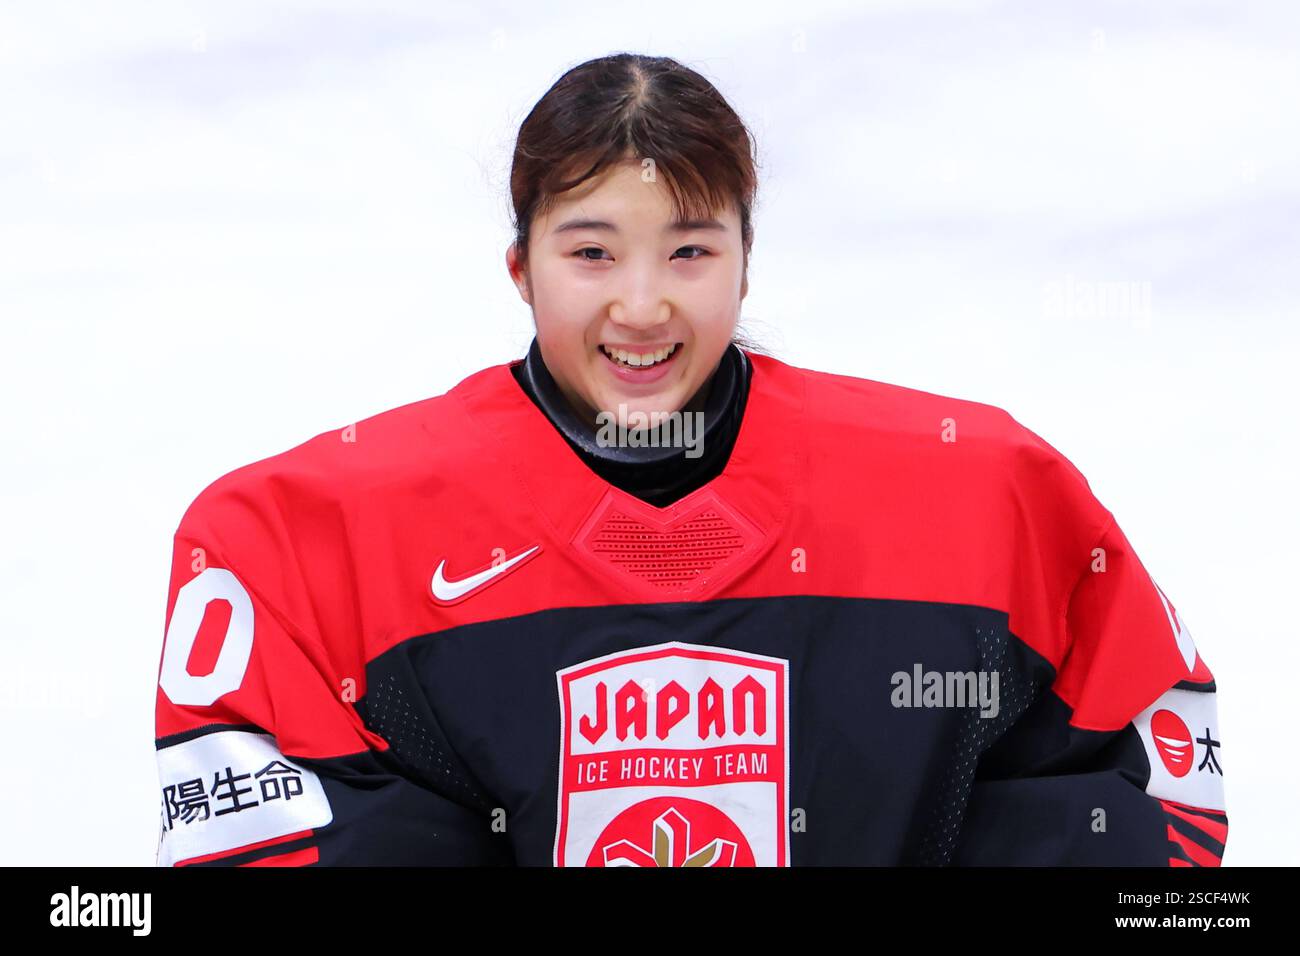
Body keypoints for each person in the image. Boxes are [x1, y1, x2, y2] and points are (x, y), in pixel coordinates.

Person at [153, 53, 1227, 866]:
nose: (640, 302)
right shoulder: (301, 534)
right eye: (590, 252)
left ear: (744, 263)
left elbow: (1138, 780)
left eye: (689, 250)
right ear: (520, 268)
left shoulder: (987, 491)